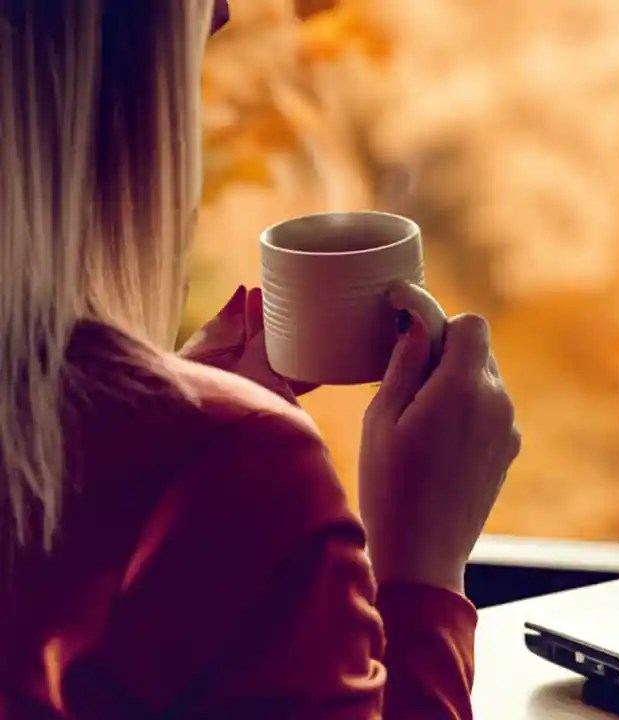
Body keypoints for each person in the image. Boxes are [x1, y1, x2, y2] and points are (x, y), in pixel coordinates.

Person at [0, 1, 519, 717]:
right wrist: (422, 568)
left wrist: (166, 428)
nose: (223, 12)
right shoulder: (231, 466)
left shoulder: (182, 461)